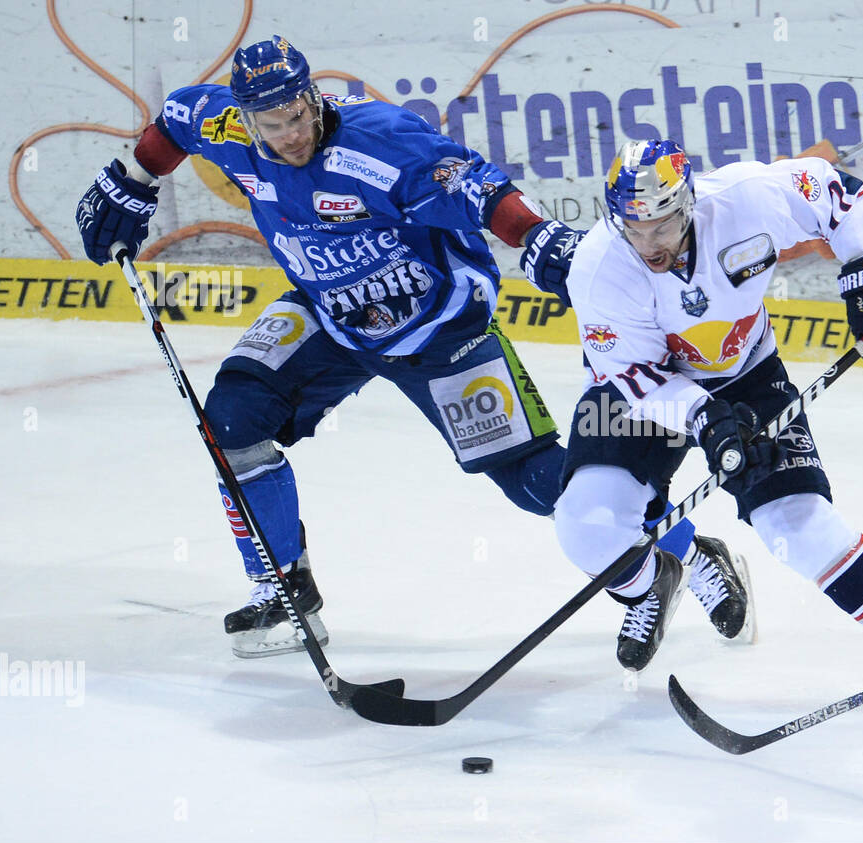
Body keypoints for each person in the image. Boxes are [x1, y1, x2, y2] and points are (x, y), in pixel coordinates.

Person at [74, 38, 749, 659]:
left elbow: (475, 185)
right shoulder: (224, 124)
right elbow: (173, 123)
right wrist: (132, 178)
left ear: (313, 97)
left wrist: (537, 237)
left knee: (543, 485)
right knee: (231, 421)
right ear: (247, 120)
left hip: (439, 326)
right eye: (271, 123)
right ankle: (283, 593)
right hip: (328, 314)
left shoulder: (378, 142)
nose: (289, 134)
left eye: (298, 114)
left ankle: (690, 553)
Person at [518, 137, 863, 717]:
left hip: (745, 373)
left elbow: (833, 193)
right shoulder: (598, 267)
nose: (648, 244)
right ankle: (672, 572)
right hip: (643, 392)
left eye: (661, 227)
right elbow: (635, 377)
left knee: (796, 524)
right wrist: (703, 421)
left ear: (687, 204)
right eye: (633, 229)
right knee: (585, 525)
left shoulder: (745, 200)